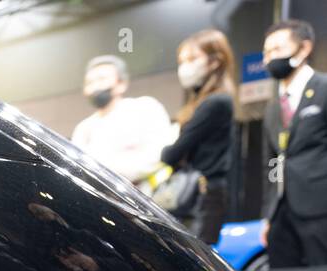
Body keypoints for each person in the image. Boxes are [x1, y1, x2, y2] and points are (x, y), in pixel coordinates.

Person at [254, 19, 327, 271]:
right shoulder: (272, 107)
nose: (270, 58)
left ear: (303, 48)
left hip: (319, 202)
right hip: (282, 207)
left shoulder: (324, 89)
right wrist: (268, 215)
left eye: (278, 49)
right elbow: (273, 162)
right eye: (266, 51)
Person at [160, 30, 236, 244]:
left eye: (192, 59)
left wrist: (165, 150)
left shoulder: (216, 102)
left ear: (215, 62)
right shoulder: (202, 102)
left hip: (203, 195)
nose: (185, 67)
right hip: (198, 195)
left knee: (193, 258)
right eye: (182, 61)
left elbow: (173, 153)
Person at [72, 55, 173, 188]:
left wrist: (108, 168)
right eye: (89, 82)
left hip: (145, 197)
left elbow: (159, 154)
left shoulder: (144, 108)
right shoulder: (83, 128)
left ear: (121, 84)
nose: (95, 86)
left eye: (101, 79)